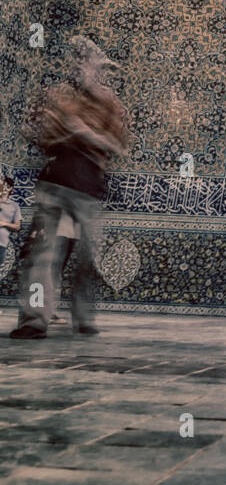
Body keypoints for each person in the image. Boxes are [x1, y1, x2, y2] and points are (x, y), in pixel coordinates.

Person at [10, 36, 131, 340]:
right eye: (77, 60)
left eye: (87, 61)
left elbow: (118, 146)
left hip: (88, 191)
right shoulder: (56, 96)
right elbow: (32, 132)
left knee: (88, 259)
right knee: (42, 256)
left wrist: (84, 132)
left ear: (96, 67)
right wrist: (53, 128)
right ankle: (33, 320)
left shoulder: (109, 103)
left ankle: (84, 317)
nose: (81, 67)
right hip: (54, 184)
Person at [0, 174, 21, 256]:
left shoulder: (14, 206)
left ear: (11, 189)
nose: (5, 188)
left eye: (8, 186)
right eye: (3, 185)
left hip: (1, 243)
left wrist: (3, 223)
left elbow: (17, 226)